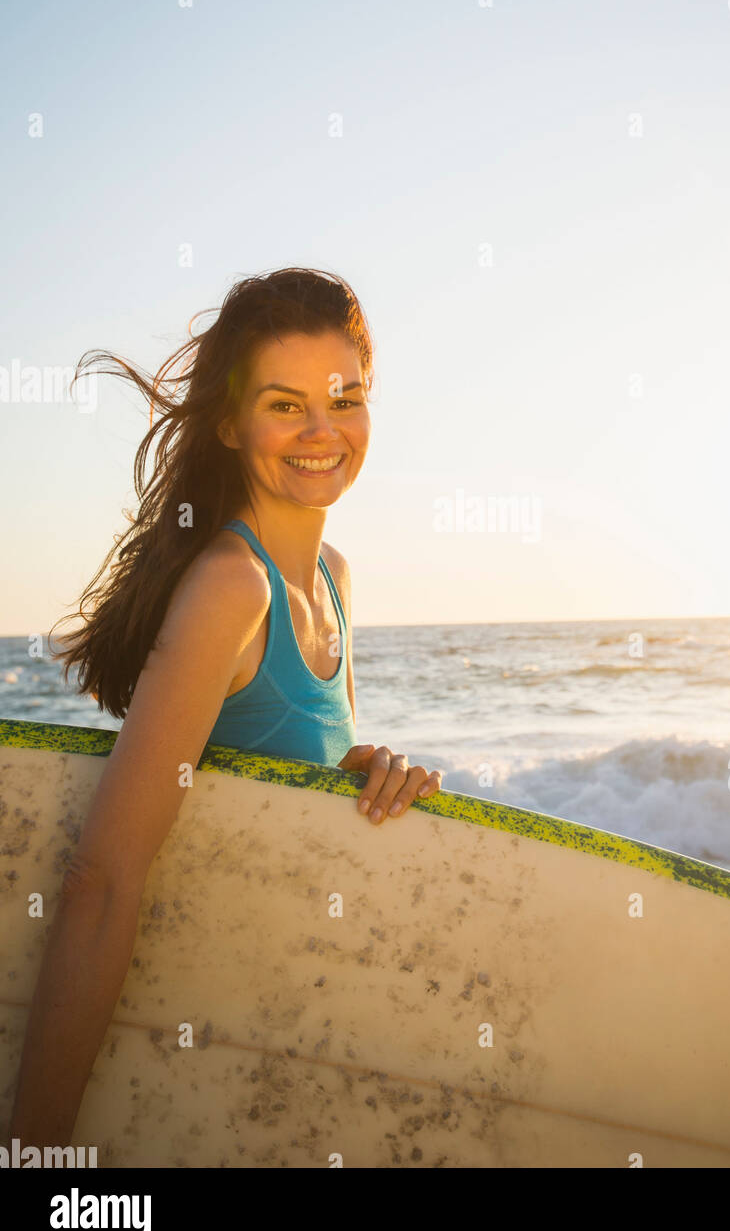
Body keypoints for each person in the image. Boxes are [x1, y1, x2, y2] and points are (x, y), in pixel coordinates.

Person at [7, 266, 442, 1148]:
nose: (323, 431)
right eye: (285, 405)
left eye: (344, 398)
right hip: (205, 1027)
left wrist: (367, 770)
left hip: (288, 1026)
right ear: (230, 422)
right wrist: (39, 1152)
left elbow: (287, 768)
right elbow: (102, 879)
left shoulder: (332, 579)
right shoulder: (230, 589)